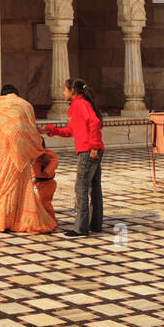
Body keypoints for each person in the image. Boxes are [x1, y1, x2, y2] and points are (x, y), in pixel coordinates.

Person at [0, 84, 57, 234]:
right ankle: (14, 219)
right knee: (16, 184)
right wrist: (36, 148)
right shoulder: (25, 105)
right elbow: (31, 130)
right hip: (17, 146)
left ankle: (0, 221)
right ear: (17, 94)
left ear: (2, 94)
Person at [45, 77, 105, 236]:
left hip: (88, 151)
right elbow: (70, 130)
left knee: (81, 188)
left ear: (72, 91)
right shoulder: (80, 104)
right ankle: (96, 225)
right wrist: (51, 130)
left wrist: (92, 146)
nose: (63, 92)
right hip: (92, 149)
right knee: (95, 188)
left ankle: (81, 228)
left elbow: (95, 122)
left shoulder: (80, 104)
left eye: (65, 89)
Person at [33, 145, 59, 227]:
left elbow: (54, 161)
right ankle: (44, 220)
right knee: (40, 203)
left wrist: (47, 171)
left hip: (48, 183)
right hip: (41, 183)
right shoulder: (37, 154)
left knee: (45, 204)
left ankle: (51, 221)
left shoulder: (46, 154)